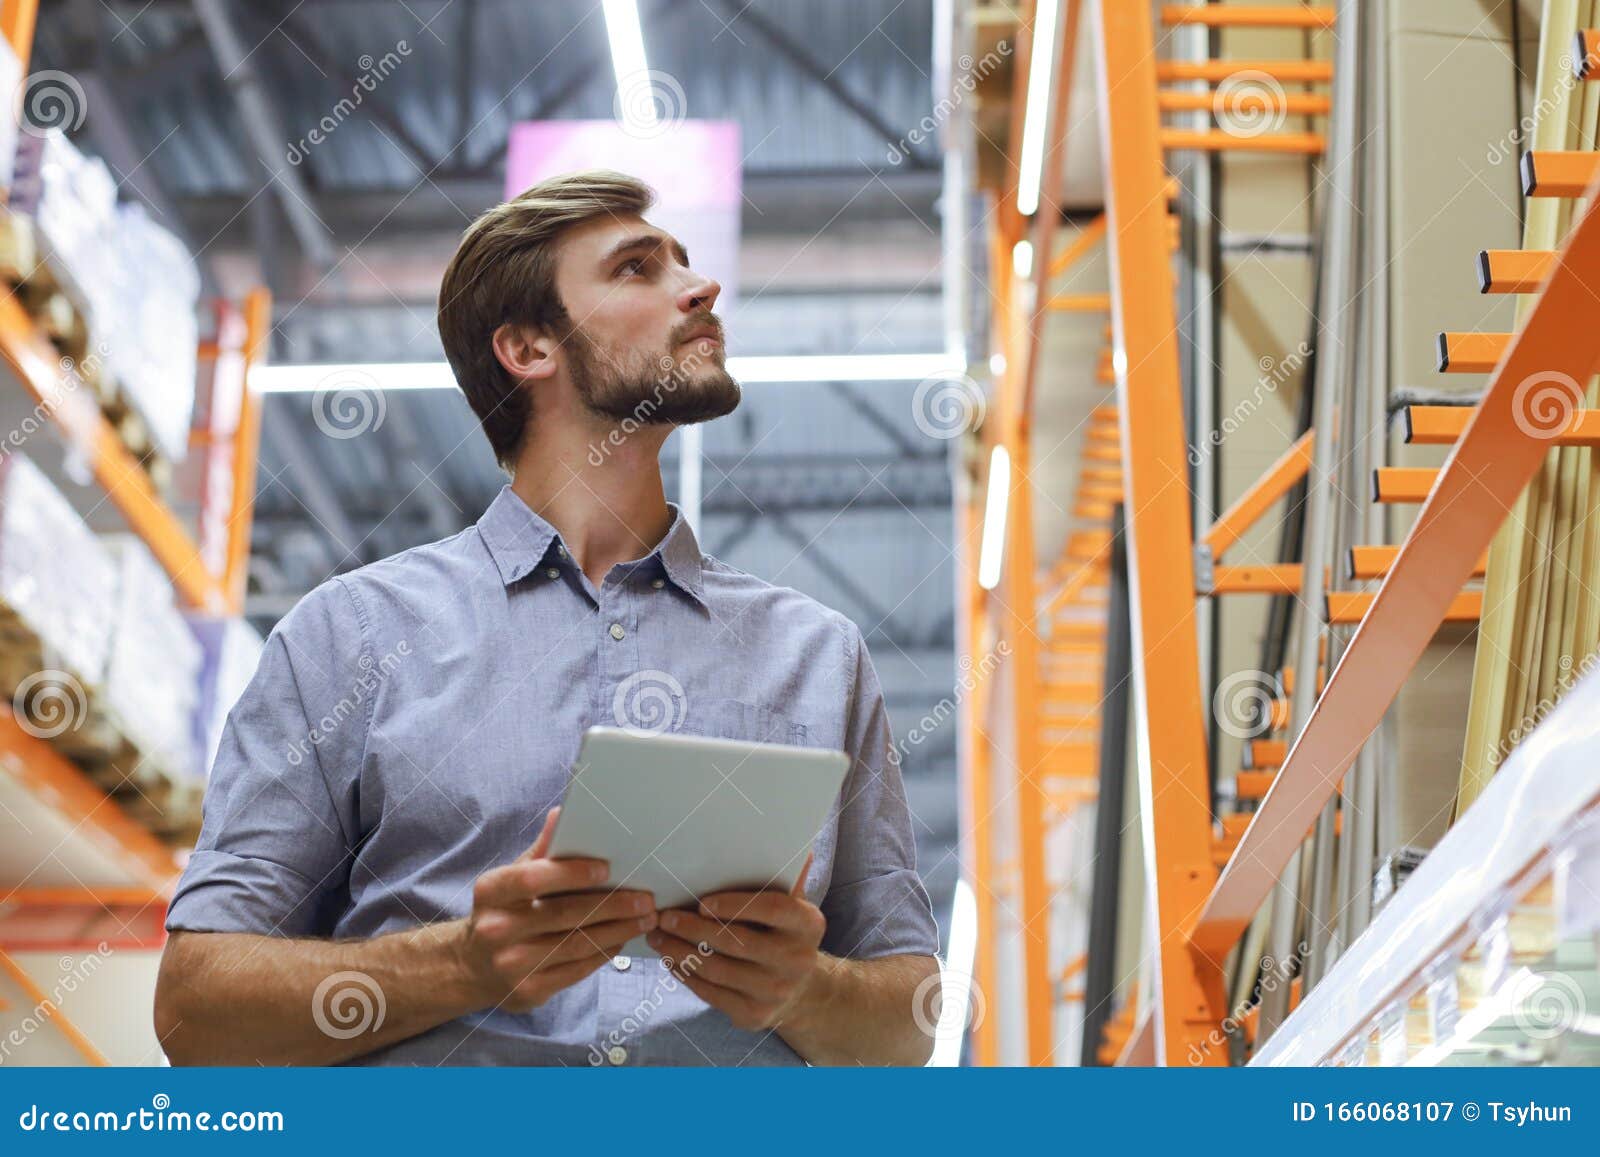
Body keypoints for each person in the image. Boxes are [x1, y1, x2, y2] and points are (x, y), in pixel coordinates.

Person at [153, 169, 942, 1066]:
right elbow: (195, 1007)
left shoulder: (816, 655)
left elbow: (908, 1020)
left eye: (684, 260)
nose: (702, 285)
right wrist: (464, 963)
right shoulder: (351, 635)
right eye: (639, 268)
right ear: (528, 348)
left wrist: (807, 986)